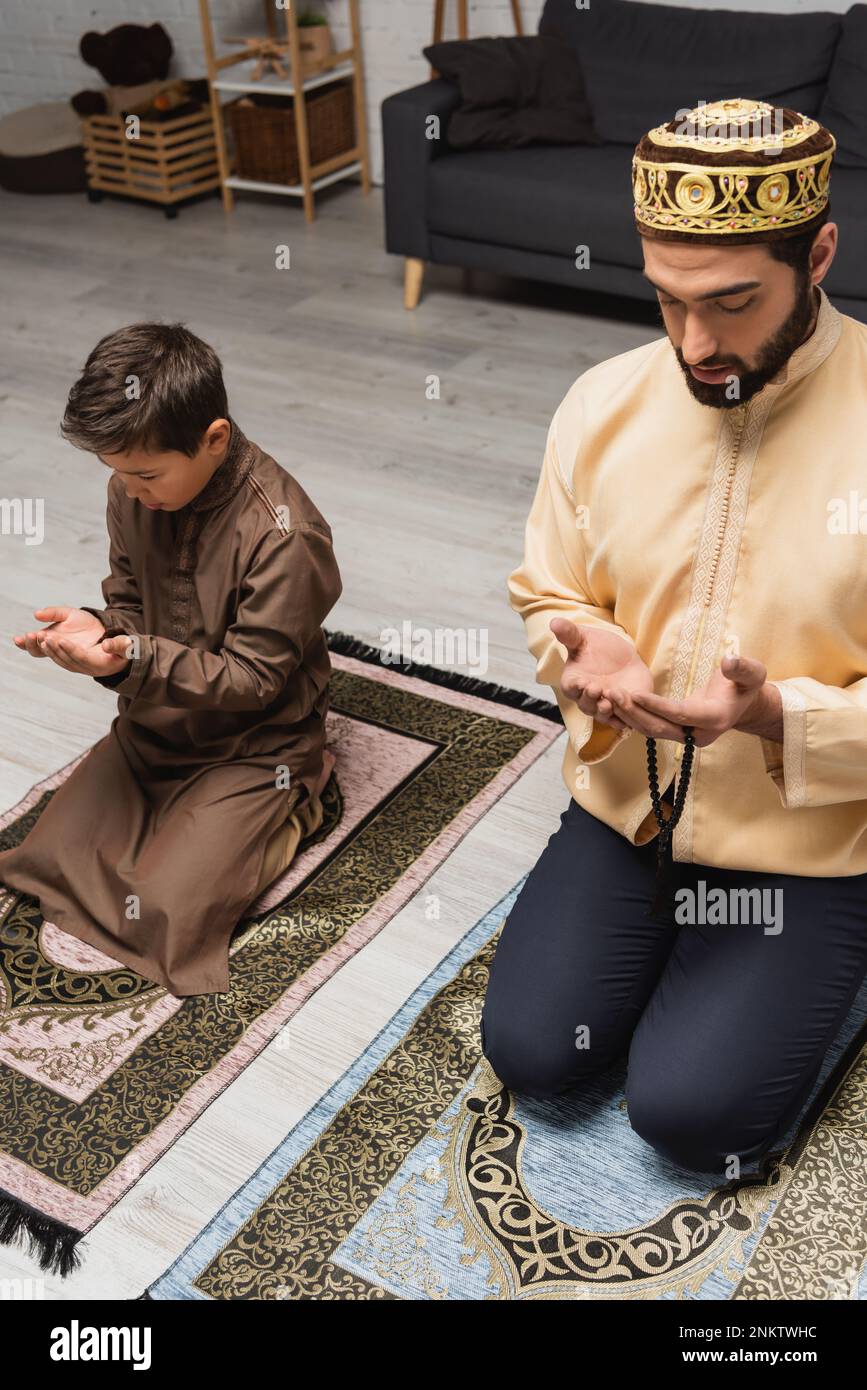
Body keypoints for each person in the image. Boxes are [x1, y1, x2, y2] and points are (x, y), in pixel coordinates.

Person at [481, 99, 867, 1174]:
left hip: (811, 835)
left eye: (734, 302)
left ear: (820, 252)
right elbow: (544, 584)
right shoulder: (600, 403)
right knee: (533, 1054)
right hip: (630, 808)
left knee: (692, 1115)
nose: (696, 343)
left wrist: (778, 712)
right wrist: (580, 641)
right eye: (668, 299)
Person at [0, 322, 342, 997]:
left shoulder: (286, 534)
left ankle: (300, 802)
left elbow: (253, 680)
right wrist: (97, 631)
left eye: (146, 474)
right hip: (154, 727)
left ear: (214, 439)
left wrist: (133, 661)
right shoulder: (132, 490)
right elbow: (127, 601)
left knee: (166, 915)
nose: (130, 491)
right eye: (117, 474)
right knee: (45, 861)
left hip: (254, 745)